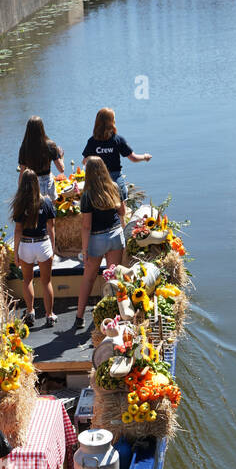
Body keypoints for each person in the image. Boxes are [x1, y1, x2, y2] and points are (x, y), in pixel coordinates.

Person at [74, 156, 127, 331]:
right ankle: (112, 318)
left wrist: (84, 250)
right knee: (113, 279)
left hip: (98, 238)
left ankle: (79, 317)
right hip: (116, 235)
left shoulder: (87, 195)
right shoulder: (115, 187)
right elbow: (122, 212)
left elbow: (86, 226)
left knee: (88, 279)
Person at [12, 169, 56, 328]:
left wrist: (16, 253)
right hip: (43, 244)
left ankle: (30, 312)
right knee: (46, 282)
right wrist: (53, 247)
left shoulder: (19, 204)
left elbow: (17, 230)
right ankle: (49, 315)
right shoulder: (47, 202)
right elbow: (51, 227)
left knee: (27, 280)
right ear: (37, 183)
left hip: (26, 245)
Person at [82, 107, 150, 201]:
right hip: (115, 177)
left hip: (98, 179)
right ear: (112, 122)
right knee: (121, 200)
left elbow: (85, 161)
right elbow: (133, 158)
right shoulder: (117, 140)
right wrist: (145, 157)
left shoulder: (92, 141)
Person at [17, 115, 64, 200]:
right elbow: (61, 169)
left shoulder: (24, 148)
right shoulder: (50, 145)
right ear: (42, 128)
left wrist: (20, 193)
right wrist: (61, 156)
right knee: (51, 207)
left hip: (33, 186)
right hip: (49, 185)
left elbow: (21, 174)